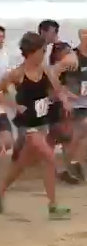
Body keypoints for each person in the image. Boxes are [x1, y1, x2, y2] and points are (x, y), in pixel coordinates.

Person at [0, 32, 72, 219]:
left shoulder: (46, 71)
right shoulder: (17, 74)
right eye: (42, 50)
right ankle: (53, 206)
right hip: (27, 125)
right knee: (49, 158)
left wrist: (64, 101)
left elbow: (58, 90)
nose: (44, 53)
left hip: (41, 124)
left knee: (21, 165)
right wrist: (13, 105)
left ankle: (1, 190)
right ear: (32, 52)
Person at [56, 29, 87, 184]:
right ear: (83, 38)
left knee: (76, 138)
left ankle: (67, 169)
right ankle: (75, 165)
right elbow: (51, 75)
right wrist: (64, 95)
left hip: (85, 103)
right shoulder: (72, 57)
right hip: (72, 105)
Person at [0, 26, 12, 157]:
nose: (1, 40)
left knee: (7, 142)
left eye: (2, 37)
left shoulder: (4, 53)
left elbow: (6, 74)